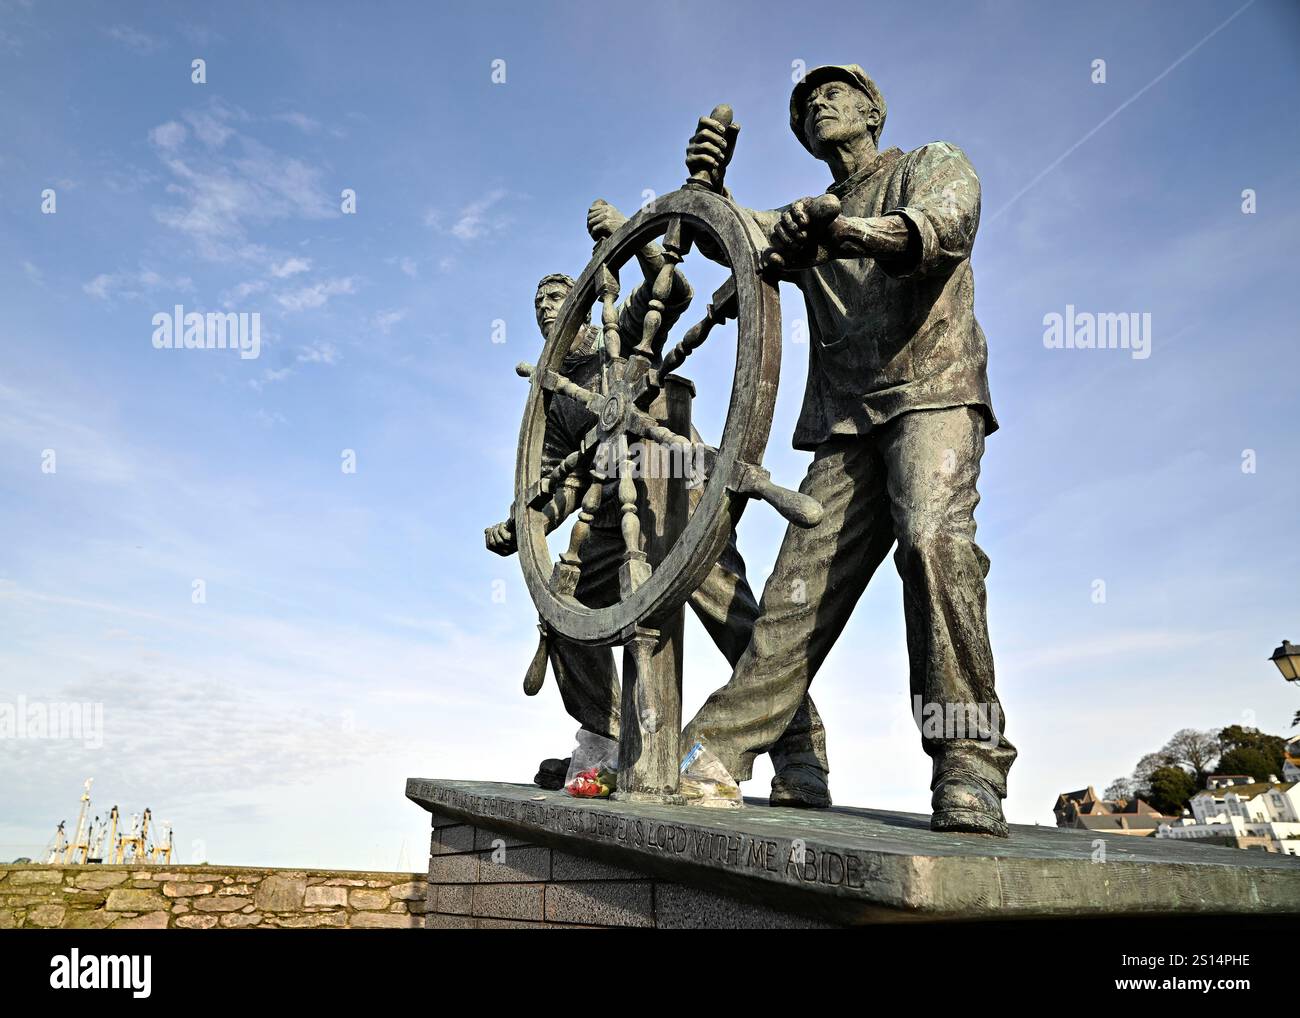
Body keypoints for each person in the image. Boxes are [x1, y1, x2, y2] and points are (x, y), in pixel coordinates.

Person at [677, 64, 1017, 835]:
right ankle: (724, 749)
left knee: (934, 542)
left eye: (835, 93)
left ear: (874, 110)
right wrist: (708, 185)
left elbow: (939, 232)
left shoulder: (929, 163)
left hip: (934, 392)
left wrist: (841, 231)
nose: (819, 103)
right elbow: (731, 237)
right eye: (806, 103)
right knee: (797, 587)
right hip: (847, 421)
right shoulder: (803, 222)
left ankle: (968, 760)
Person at [485, 199, 832, 807]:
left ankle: (799, 748)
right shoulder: (557, 396)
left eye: (556, 298)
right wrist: (522, 523)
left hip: (676, 487)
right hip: (611, 510)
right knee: (564, 611)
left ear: (584, 303)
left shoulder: (620, 342)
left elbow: (673, 293)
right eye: (538, 302)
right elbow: (556, 481)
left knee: (730, 613)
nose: (546, 308)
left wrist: (628, 237)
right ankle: (606, 736)